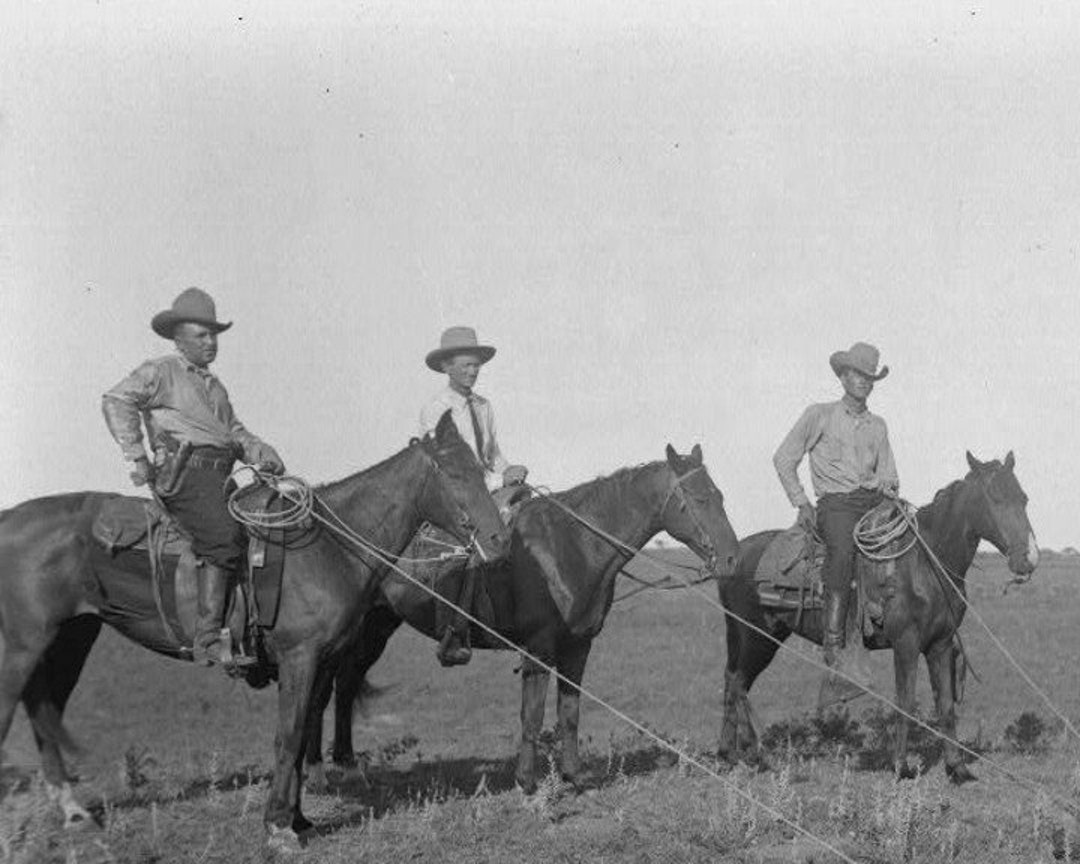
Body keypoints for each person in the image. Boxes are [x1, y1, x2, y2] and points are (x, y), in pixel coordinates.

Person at [102, 287, 285, 668]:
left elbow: (234, 430)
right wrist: (136, 454)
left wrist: (260, 450)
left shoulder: (215, 387)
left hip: (220, 477)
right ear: (178, 338)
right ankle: (206, 639)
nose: (211, 342)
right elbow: (117, 399)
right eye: (201, 335)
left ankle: (252, 630)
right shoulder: (161, 371)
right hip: (185, 476)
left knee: (266, 524)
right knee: (223, 536)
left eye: (214, 335)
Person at [773, 342, 899, 708]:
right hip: (837, 504)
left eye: (869, 377)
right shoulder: (820, 415)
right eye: (857, 375)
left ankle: (892, 618)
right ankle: (834, 645)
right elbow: (784, 458)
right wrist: (801, 501)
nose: (863, 382)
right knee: (842, 552)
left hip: (873, 501)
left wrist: (891, 496)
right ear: (844, 377)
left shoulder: (879, 426)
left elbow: (889, 475)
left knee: (907, 539)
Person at [419, 326, 528, 665]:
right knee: (472, 548)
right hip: (456, 494)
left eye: (476, 365)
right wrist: (497, 478)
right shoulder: (436, 409)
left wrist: (510, 471)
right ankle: (453, 631)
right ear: (447, 367)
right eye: (465, 365)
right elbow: (447, 465)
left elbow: (493, 454)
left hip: (488, 488)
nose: (472, 371)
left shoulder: (484, 406)